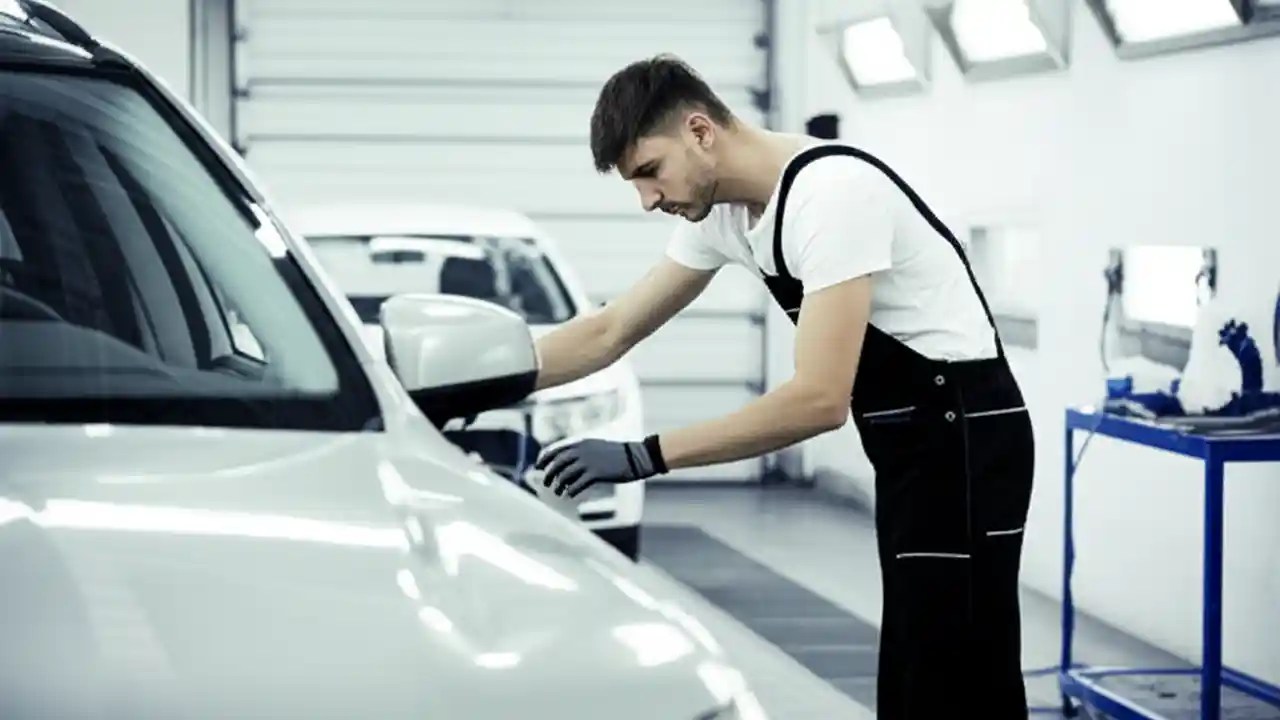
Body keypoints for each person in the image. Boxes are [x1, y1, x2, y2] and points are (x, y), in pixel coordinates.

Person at [529, 54, 1035, 719]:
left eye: (650, 172)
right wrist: (470, 375)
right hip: (914, 441)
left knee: (955, 668)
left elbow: (819, 399)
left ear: (701, 132)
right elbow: (609, 330)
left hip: (966, 433)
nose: (648, 200)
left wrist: (644, 454)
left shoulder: (831, 195)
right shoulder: (723, 215)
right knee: (920, 665)